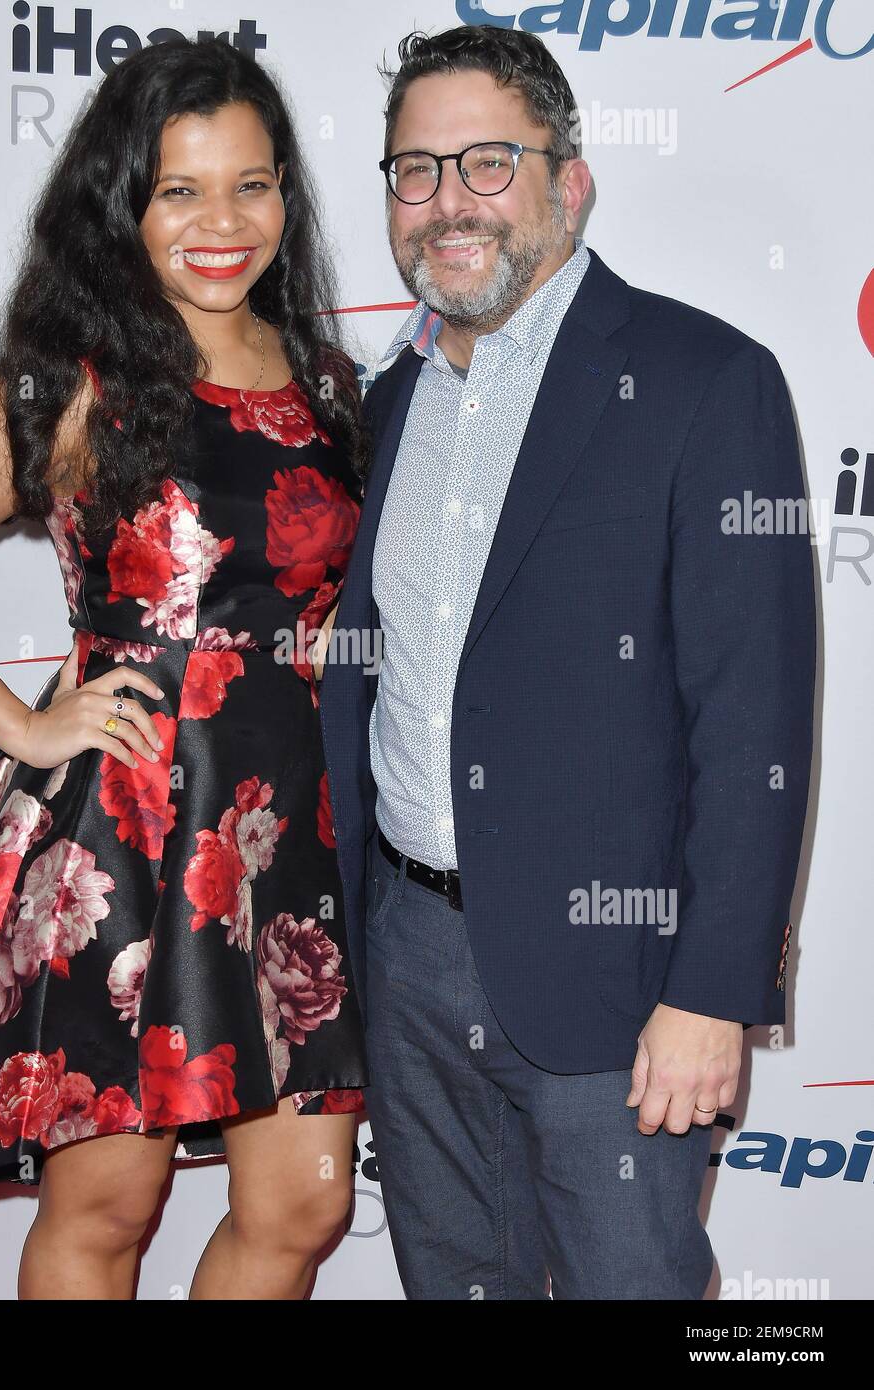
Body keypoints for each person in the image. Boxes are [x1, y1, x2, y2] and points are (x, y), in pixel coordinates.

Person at [0, 36, 370, 1301]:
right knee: (110, 1202)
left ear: (287, 195)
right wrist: (14, 720)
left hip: (302, 837)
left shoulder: (332, 387)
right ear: (121, 203)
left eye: (252, 183)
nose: (222, 222)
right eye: (180, 190)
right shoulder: (73, 383)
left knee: (301, 1205)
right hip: (129, 829)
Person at [317, 25, 816, 1300]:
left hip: (618, 982)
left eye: (487, 162)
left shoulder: (707, 382)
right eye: (414, 171)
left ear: (569, 181)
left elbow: (752, 722)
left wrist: (713, 991)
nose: (446, 203)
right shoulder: (385, 404)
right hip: (409, 961)